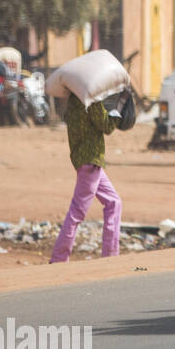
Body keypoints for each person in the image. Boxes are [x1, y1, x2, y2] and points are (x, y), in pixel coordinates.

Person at [50, 90, 126, 262]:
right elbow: (106, 126)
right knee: (77, 212)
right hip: (91, 160)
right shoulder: (92, 101)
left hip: (84, 161)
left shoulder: (73, 101)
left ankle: (111, 254)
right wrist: (118, 107)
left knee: (114, 202)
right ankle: (59, 258)